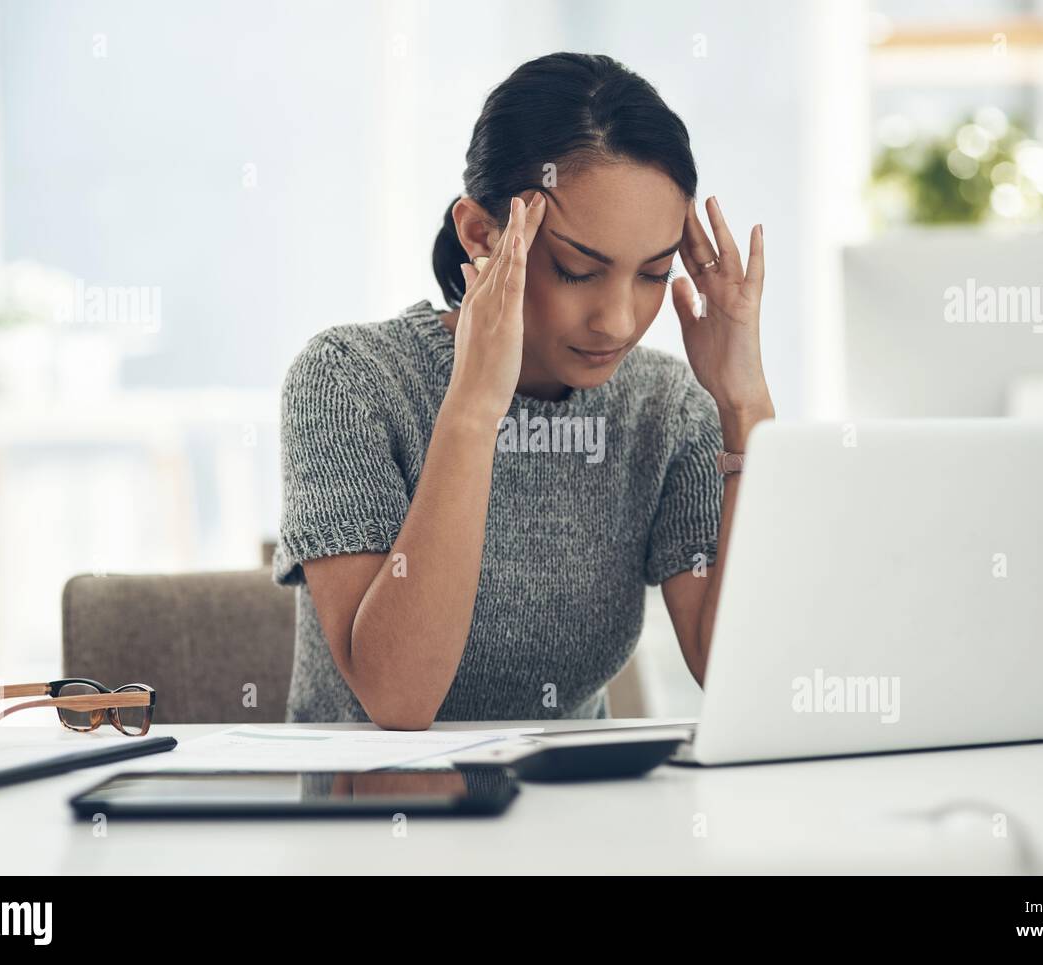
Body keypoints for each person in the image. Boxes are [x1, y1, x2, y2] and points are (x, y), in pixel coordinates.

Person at [273, 52, 773, 729]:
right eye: (575, 269)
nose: (618, 320)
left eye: (653, 274)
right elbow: (398, 697)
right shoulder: (348, 380)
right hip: (371, 817)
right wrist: (477, 405)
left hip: (572, 818)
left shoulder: (667, 408)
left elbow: (741, 669)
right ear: (481, 234)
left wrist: (745, 408)